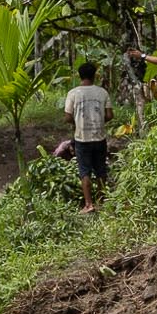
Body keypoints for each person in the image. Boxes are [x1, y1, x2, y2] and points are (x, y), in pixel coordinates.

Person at [63, 60, 112, 213]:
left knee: (84, 171)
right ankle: (102, 201)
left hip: (82, 139)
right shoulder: (102, 92)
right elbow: (110, 115)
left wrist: (77, 123)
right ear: (94, 76)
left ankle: (89, 204)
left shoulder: (73, 93)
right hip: (100, 137)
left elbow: (67, 117)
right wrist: (98, 120)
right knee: (101, 170)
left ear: (80, 76)